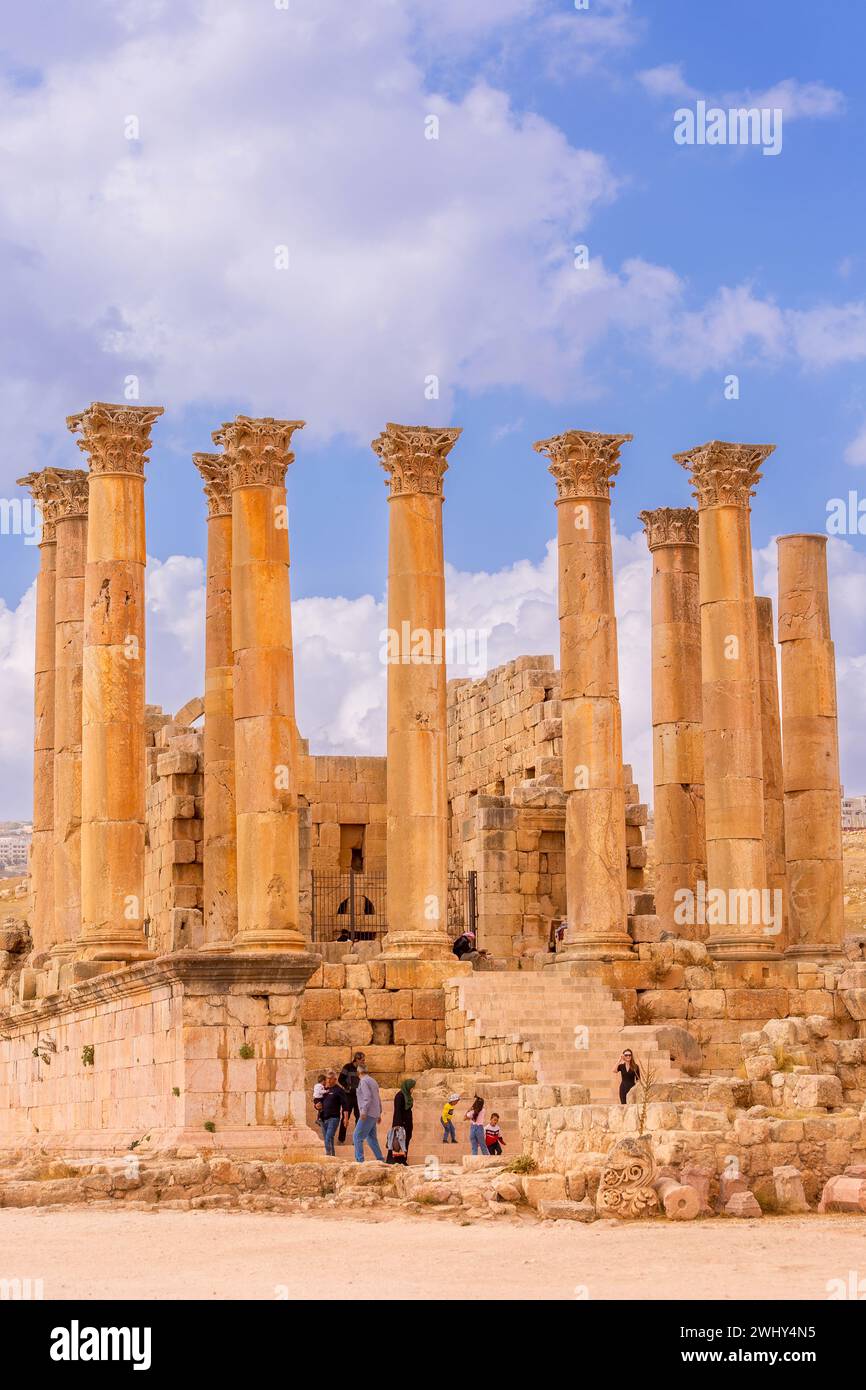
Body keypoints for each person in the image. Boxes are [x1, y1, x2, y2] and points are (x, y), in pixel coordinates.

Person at [353, 1063, 384, 1162]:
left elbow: (367, 1097)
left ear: (358, 1072)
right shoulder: (373, 1081)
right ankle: (380, 1159)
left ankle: (359, 1160)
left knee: (357, 1136)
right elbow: (377, 1098)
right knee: (371, 1138)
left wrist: (363, 1112)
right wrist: (379, 1113)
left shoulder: (364, 1081)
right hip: (374, 1113)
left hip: (368, 1113)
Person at [337, 1050, 365, 1143]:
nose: (363, 1062)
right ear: (356, 1059)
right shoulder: (347, 1067)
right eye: (362, 1060)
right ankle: (341, 1139)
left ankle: (357, 1139)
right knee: (345, 1117)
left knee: (359, 1117)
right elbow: (340, 1079)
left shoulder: (362, 1068)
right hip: (348, 1096)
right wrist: (347, 1087)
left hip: (358, 1096)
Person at [387, 1078, 415, 1163]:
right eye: (412, 1087)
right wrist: (398, 1125)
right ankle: (395, 1160)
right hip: (400, 1124)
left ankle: (402, 1160)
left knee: (405, 1142)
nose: (413, 1089)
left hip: (407, 1124)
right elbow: (397, 1110)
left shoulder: (408, 1096)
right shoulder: (399, 1096)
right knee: (397, 1142)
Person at [319, 1071, 343, 1156]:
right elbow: (317, 1100)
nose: (328, 1080)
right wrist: (316, 1105)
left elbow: (345, 1105)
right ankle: (333, 1156)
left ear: (335, 1079)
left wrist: (346, 1118)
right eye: (327, 1078)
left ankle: (328, 1155)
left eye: (330, 1079)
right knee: (329, 1138)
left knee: (328, 1138)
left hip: (334, 1118)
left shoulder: (339, 1090)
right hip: (323, 1118)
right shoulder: (323, 1090)